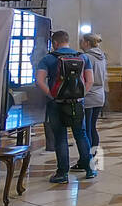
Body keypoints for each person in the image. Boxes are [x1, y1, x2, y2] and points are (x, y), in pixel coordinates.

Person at [35, 30, 95, 184]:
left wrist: (53, 95)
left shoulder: (48, 58)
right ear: (68, 41)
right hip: (77, 103)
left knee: (60, 137)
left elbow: (39, 81)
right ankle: (89, 169)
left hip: (56, 104)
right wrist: (80, 95)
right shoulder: (83, 57)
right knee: (81, 134)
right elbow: (90, 80)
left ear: (55, 43)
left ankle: (62, 173)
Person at [74, 33, 107, 172]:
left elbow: (83, 77)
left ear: (87, 43)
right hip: (100, 94)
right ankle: (93, 157)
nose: (80, 43)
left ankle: (85, 160)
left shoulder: (85, 57)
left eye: (82, 41)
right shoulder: (102, 56)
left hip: (88, 95)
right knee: (92, 127)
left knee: (85, 129)